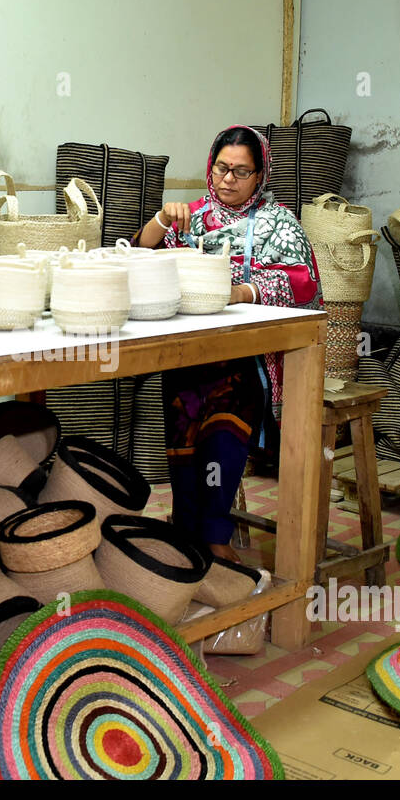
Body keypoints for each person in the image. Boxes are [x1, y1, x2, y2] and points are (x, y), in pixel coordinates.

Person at [135, 124, 322, 563]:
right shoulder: (194, 215)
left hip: (245, 354)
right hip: (190, 349)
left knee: (223, 433)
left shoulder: (278, 222)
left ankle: (216, 532)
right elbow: (142, 253)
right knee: (183, 432)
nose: (228, 180)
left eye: (241, 171)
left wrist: (246, 291)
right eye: (222, 168)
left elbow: (305, 281)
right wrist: (162, 219)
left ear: (260, 176)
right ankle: (186, 528)